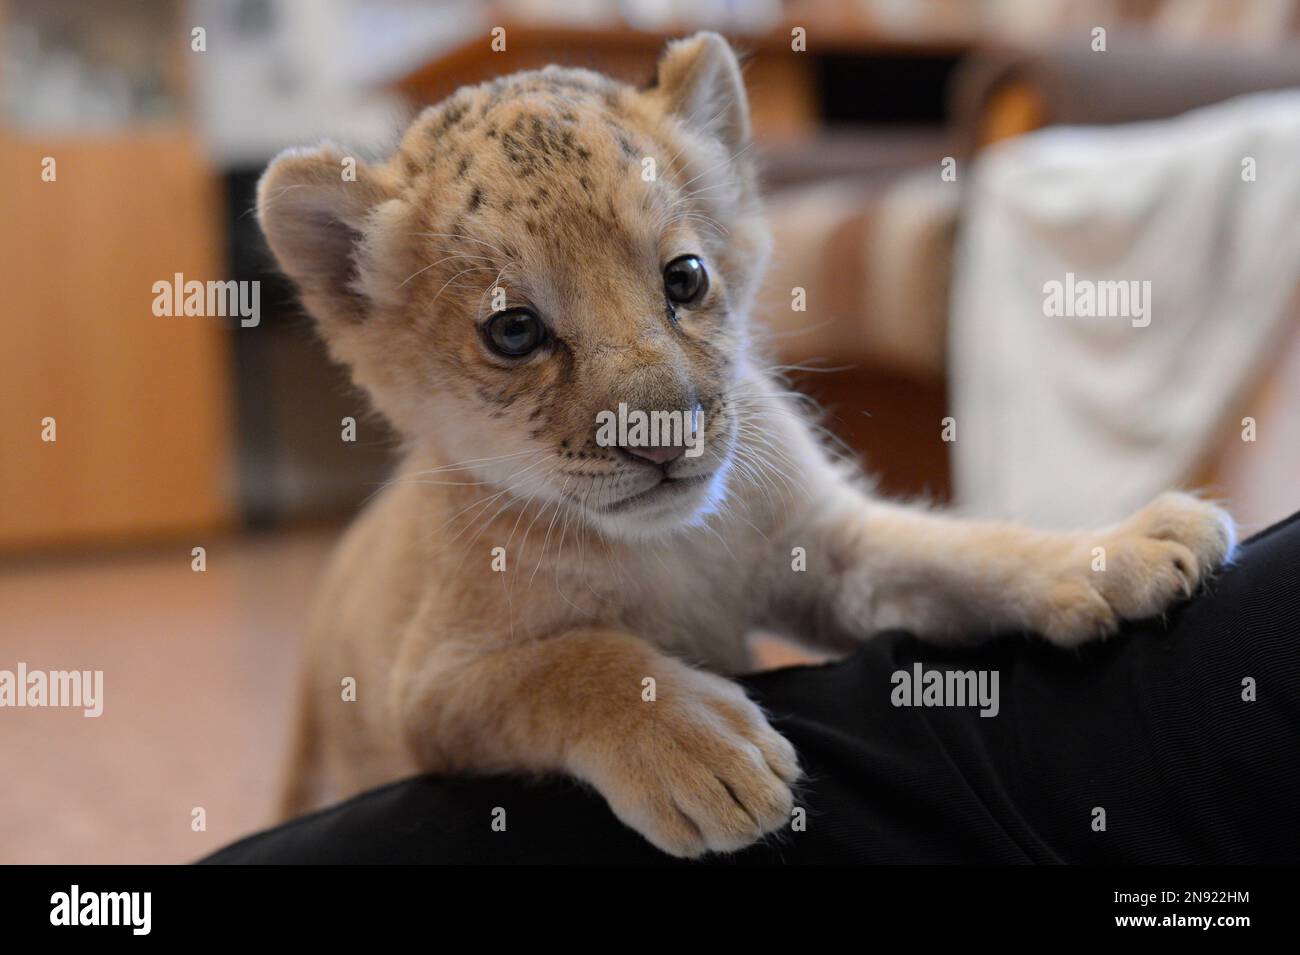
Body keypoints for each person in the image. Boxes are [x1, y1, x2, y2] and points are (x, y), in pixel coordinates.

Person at [202, 512, 1300, 864]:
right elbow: (438, 699)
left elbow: (852, 560)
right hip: (376, 667)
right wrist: (598, 691)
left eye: (681, 282)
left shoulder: (741, 417)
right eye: (518, 334)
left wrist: (1042, 567)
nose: (657, 402)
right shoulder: (465, 523)